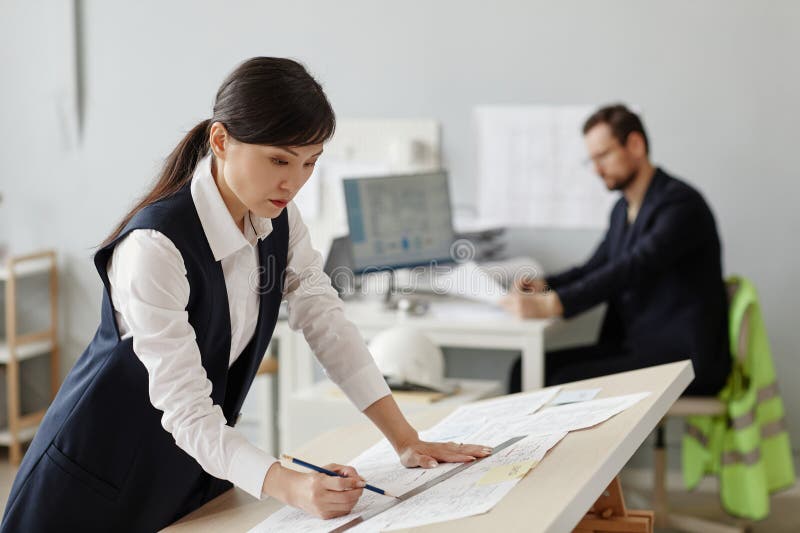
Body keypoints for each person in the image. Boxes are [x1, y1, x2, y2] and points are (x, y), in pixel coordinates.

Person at [0, 57, 491, 532]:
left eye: (309, 164)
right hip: (92, 483)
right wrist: (293, 488)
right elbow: (188, 409)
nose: (294, 182)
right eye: (279, 160)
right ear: (221, 140)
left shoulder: (278, 220)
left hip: (190, 475)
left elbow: (326, 322)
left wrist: (405, 441)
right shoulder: (154, 247)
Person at [504, 104, 731, 396]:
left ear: (635, 145)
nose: (597, 169)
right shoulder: (622, 210)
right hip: (638, 345)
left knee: (561, 381)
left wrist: (554, 304)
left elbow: (631, 268)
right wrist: (545, 285)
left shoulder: (681, 205)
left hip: (684, 358)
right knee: (524, 369)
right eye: (592, 160)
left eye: (603, 156)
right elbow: (595, 267)